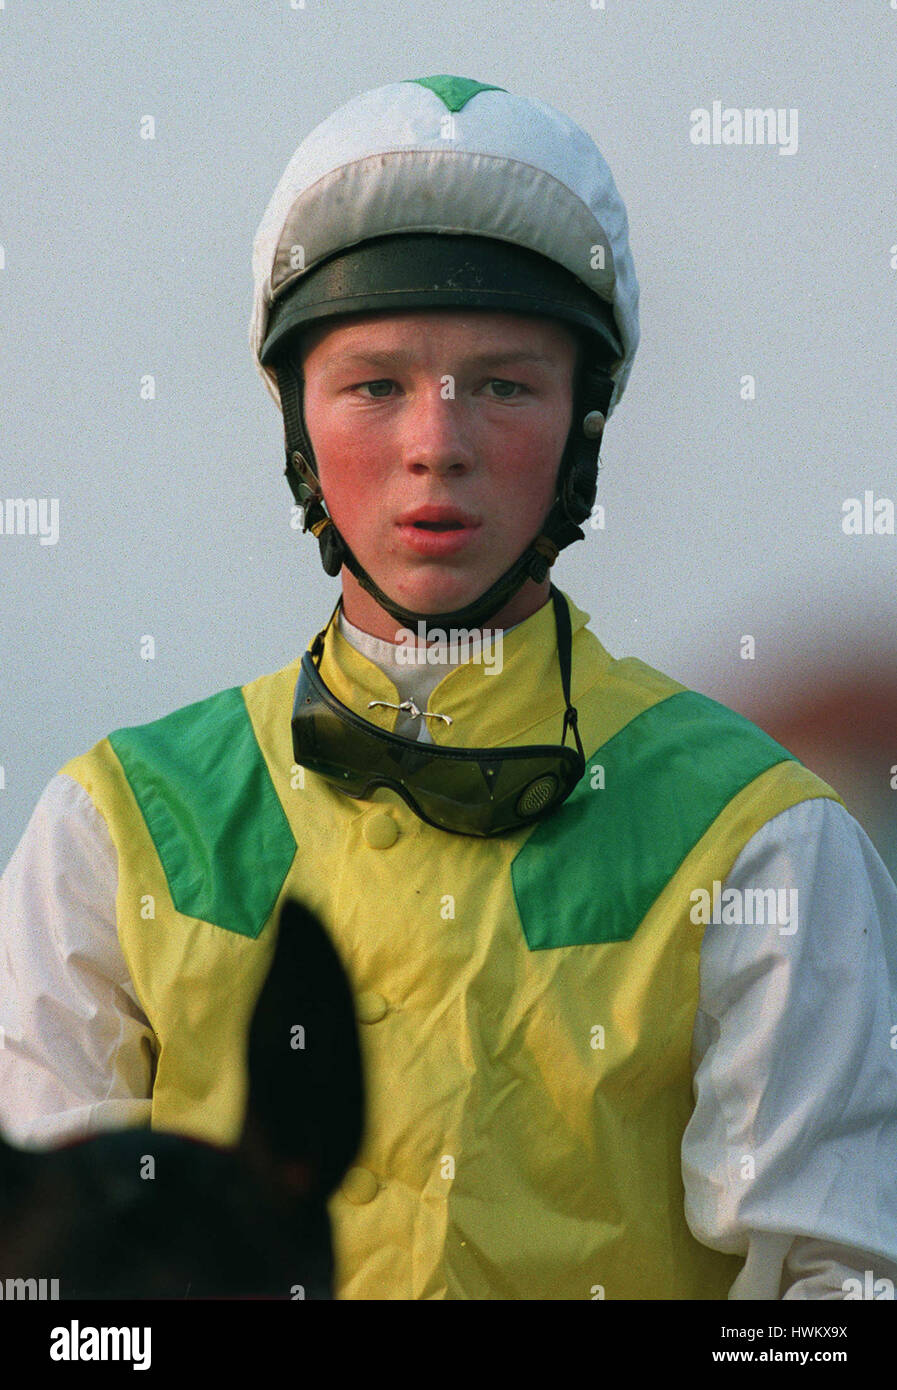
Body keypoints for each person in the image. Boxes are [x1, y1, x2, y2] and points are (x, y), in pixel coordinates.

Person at [2, 73, 897, 1301]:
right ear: (296, 420)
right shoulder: (105, 830)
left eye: (506, 384)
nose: (438, 441)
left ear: (584, 424)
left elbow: (835, 1301)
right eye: (374, 383)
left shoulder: (774, 843)